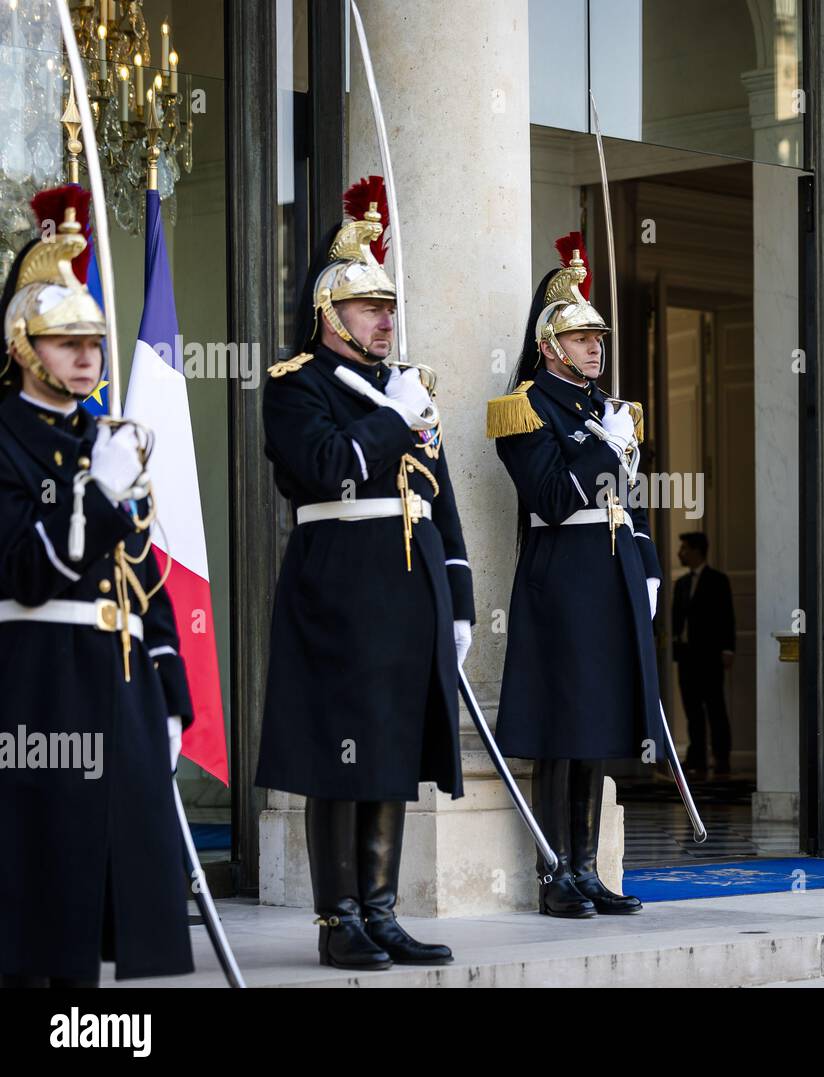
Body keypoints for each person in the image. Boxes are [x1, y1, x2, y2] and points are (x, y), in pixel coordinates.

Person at [255, 177, 473, 969]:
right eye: (369, 306)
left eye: (388, 307)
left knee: (392, 749)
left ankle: (382, 910)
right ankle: (338, 918)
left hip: (411, 586)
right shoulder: (297, 386)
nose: (385, 319)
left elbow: (438, 499)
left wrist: (460, 596)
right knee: (339, 751)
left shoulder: (403, 389)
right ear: (330, 314)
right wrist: (392, 417)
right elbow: (325, 466)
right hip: (338, 585)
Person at [0, 185, 193, 986]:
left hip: (120, 681)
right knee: (37, 894)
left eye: (94, 342)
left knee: (113, 897)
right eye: (66, 341)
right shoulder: (6, 438)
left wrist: (172, 689)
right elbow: (29, 569)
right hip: (36, 681)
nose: (87, 356)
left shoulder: (108, 436)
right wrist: (100, 498)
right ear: (22, 344)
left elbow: (143, 572)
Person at [487, 232, 663, 918]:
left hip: (611, 572)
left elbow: (632, 502)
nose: (596, 347)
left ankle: (588, 867)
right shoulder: (526, 407)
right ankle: (555, 871)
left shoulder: (603, 407)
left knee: (597, 724)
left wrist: (646, 566)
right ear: (551, 344)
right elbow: (554, 499)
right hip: (559, 576)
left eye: (599, 337)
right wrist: (602, 448)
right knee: (561, 727)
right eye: (582, 337)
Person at [672, 531, 735, 777]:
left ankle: (721, 759)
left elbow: (726, 617)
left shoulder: (718, 580)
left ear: (697, 550)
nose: (680, 553)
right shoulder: (681, 584)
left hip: (709, 656)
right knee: (692, 710)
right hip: (687, 656)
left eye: (685, 548)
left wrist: (728, 648)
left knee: (715, 708)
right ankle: (696, 758)